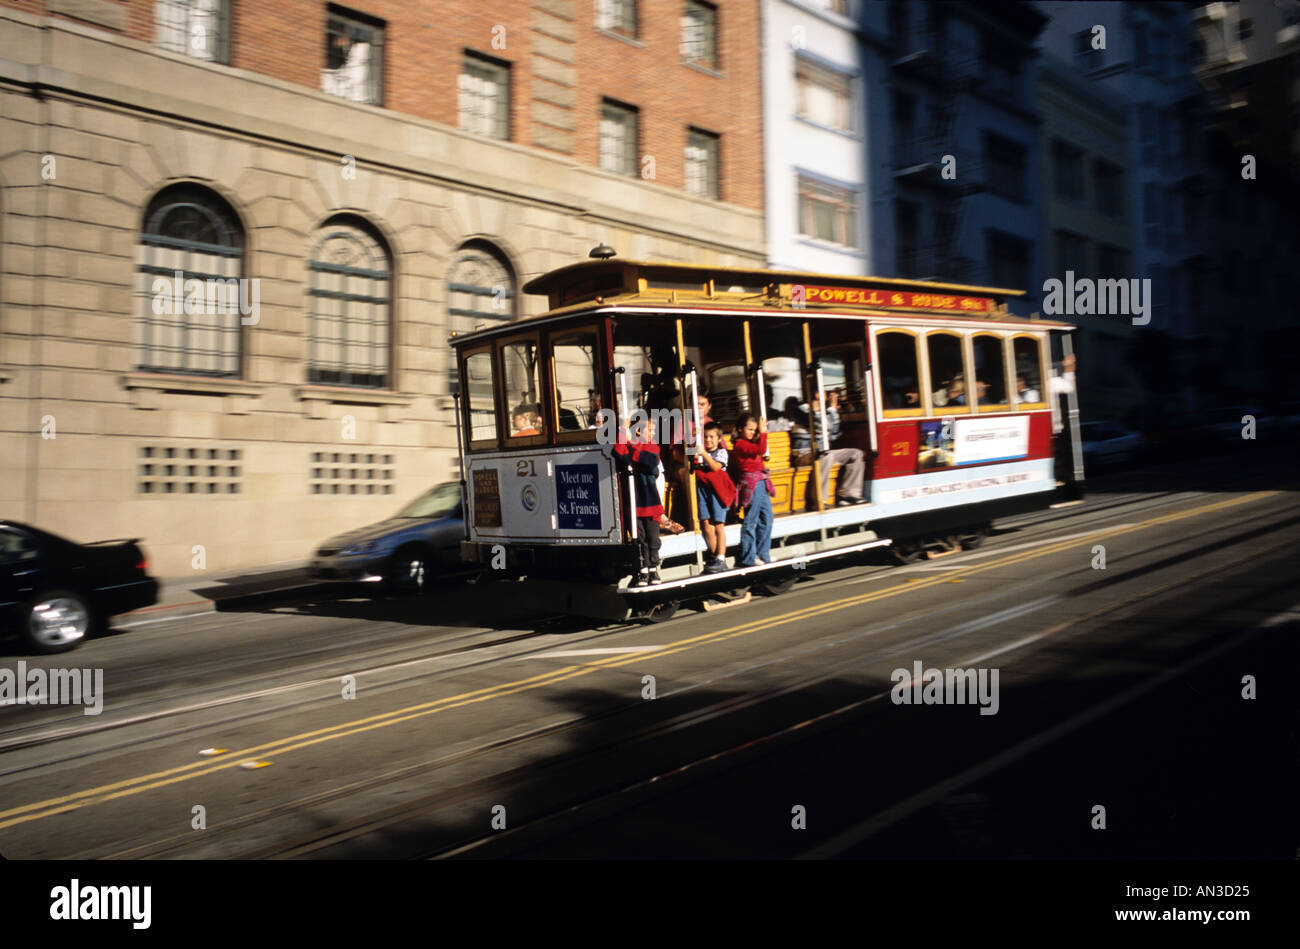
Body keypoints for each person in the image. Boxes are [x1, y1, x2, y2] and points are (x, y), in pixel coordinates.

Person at [788, 395, 867, 506]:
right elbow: (817, 425)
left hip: (822, 453)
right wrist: (832, 410)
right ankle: (819, 499)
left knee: (856, 454)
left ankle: (849, 494)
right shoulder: (801, 410)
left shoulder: (825, 412)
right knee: (826, 457)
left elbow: (834, 434)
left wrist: (831, 411)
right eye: (826, 394)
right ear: (817, 395)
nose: (828, 397)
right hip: (803, 455)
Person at [613, 418, 664, 585]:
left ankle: (653, 569)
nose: (653, 434)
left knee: (653, 538)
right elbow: (619, 453)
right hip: (634, 499)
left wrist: (631, 444)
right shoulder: (631, 444)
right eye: (650, 430)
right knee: (639, 537)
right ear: (638, 432)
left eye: (654, 430)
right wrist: (622, 431)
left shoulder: (652, 446)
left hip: (650, 499)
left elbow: (649, 460)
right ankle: (642, 569)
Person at [731, 413, 774, 567]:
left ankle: (763, 554)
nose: (752, 433)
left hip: (761, 482)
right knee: (751, 520)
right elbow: (761, 449)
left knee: (767, 517)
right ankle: (749, 556)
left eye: (754, 430)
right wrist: (763, 432)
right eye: (749, 429)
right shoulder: (740, 444)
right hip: (751, 484)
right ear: (740, 429)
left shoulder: (749, 442)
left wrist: (761, 432)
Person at [694, 420, 735, 573]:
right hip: (703, 489)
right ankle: (713, 556)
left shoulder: (721, 452)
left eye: (711, 437)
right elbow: (688, 455)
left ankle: (721, 558)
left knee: (718, 525)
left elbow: (716, 467)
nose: (708, 440)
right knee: (707, 524)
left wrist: (703, 453)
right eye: (705, 437)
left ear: (719, 439)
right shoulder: (699, 453)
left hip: (718, 492)